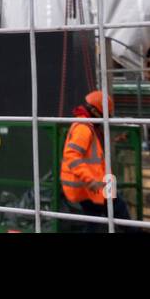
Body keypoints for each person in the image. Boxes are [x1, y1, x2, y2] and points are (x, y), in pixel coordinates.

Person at [60, 89, 137, 232]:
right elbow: (72, 155)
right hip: (93, 186)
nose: (106, 119)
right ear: (96, 112)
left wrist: (116, 139)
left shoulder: (87, 125)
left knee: (94, 221)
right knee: (119, 211)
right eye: (106, 115)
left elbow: (94, 149)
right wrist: (90, 180)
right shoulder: (84, 128)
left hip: (94, 185)